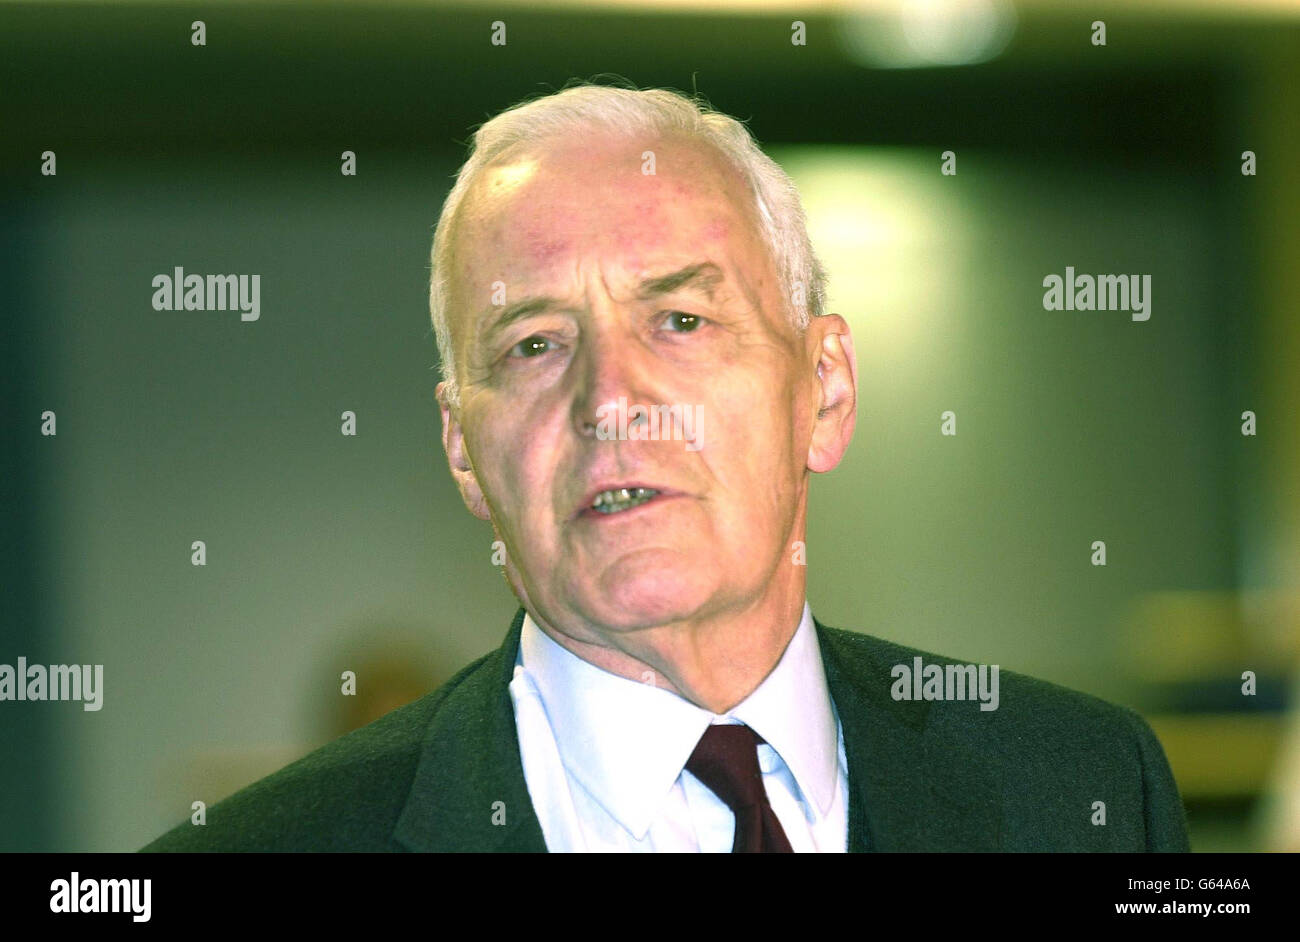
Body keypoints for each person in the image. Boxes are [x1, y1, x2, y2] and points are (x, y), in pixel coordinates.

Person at [142, 83, 1189, 853]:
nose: (610, 399)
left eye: (680, 320)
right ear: (464, 451)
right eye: (535, 345)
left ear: (822, 389)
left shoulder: (1088, 792)